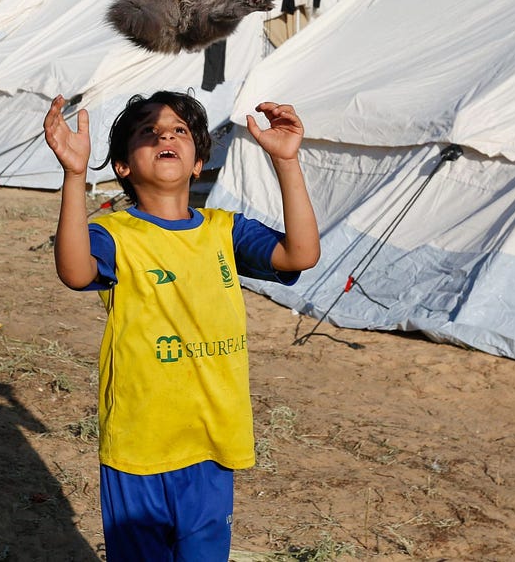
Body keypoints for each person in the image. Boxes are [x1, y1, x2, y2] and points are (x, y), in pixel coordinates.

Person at [43, 90, 320, 561]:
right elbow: (75, 272)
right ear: (122, 166)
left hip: (213, 440)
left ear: (198, 163)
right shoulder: (115, 234)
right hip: (139, 446)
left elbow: (301, 254)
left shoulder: (224, 230)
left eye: (178, 131)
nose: (164, 136)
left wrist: (287, 163)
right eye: (148, 132)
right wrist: (73, 176)